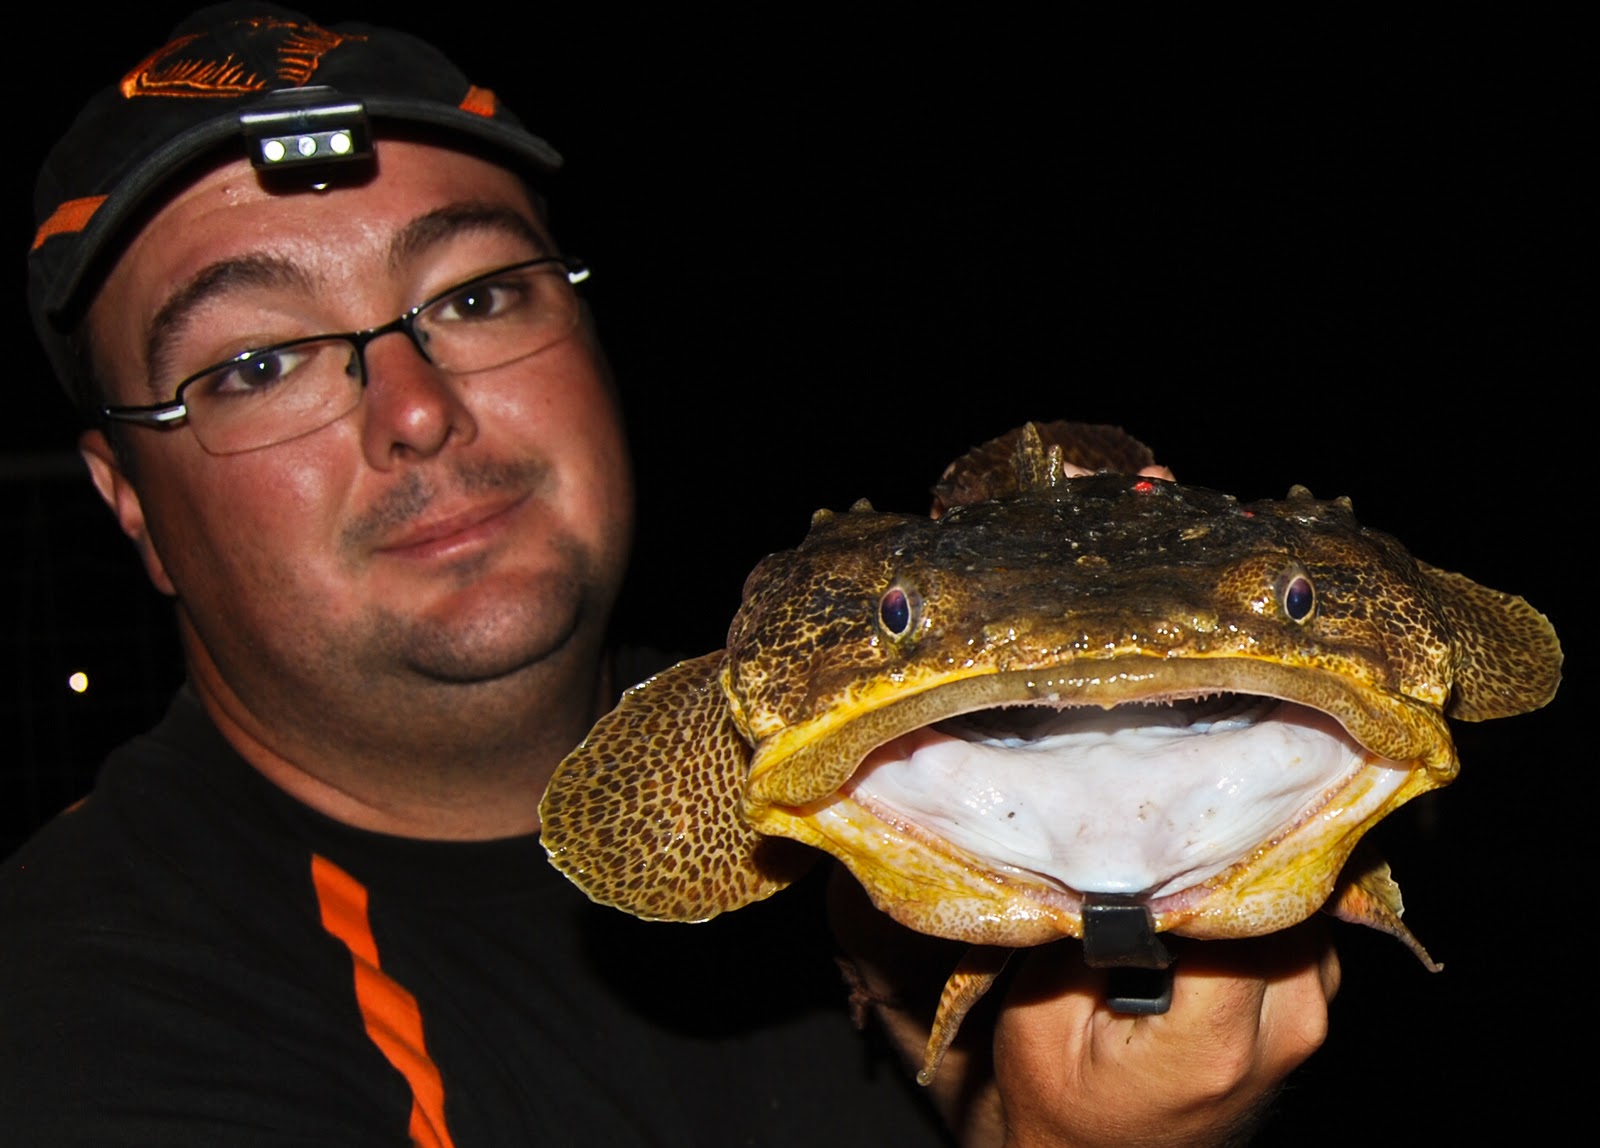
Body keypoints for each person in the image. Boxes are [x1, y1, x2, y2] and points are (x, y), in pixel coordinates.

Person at [6, 5, 1338, 1144]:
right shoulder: (87, 1011)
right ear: (127, 502)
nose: (414, 408)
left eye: (474, 296)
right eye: (256, 364)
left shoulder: (852, 752)